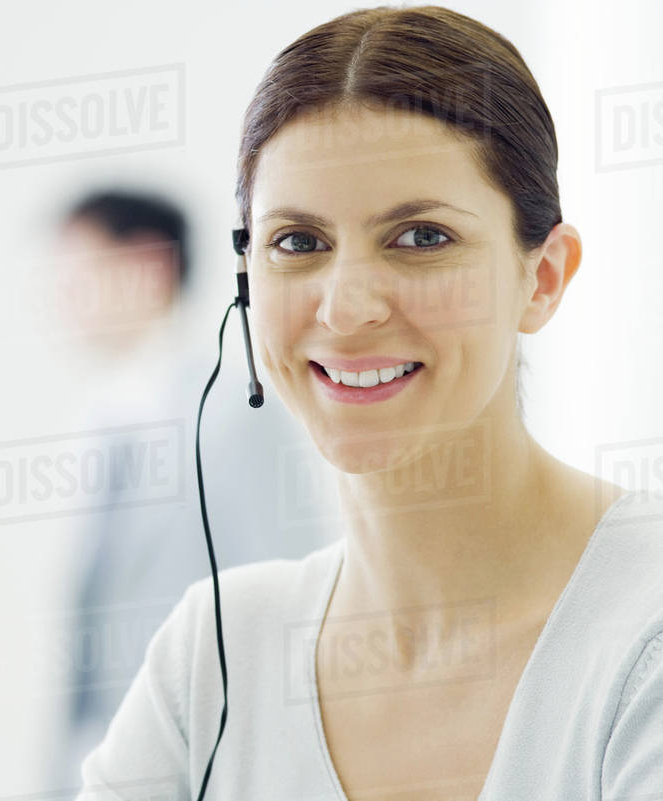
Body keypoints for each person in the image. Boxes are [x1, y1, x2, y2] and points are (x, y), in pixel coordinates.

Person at [76, 6, 663, 800]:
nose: (346, 308)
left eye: (420, 237)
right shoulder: (215, 657)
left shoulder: (642, 626)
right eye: (299, 242)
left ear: (544, 276)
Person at [49, 190, 334, 788]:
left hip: (207, 763)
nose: (61, 295)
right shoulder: (102, 421)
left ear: (148, 266)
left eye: (81, 270)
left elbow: (288, 594)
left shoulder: (231, 413)